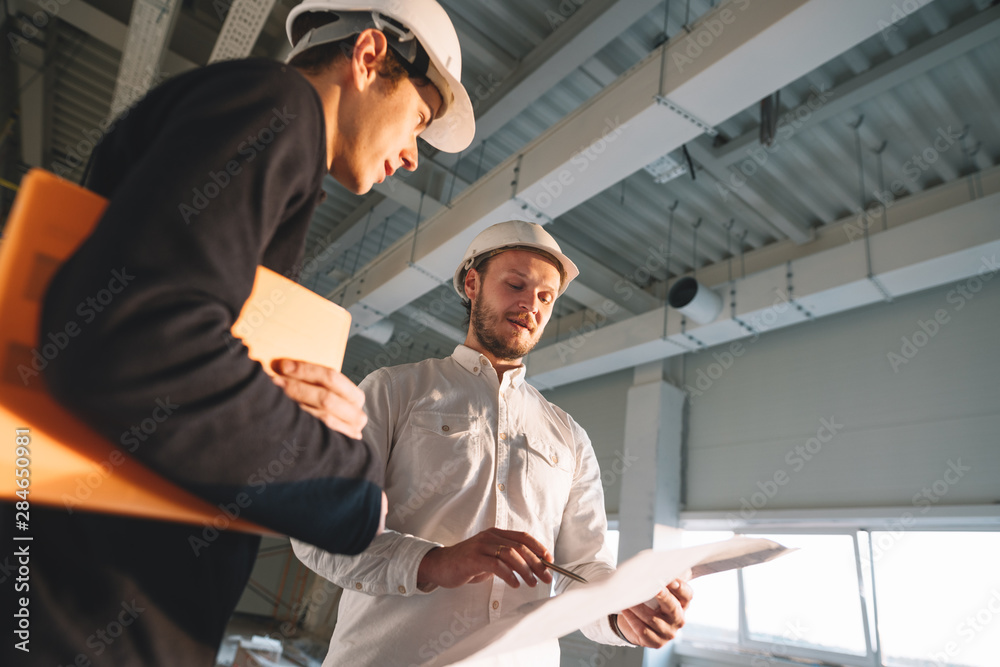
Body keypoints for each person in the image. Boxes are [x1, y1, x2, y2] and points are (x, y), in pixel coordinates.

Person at [0, 1, 474, 665]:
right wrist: (347, 480)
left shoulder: (260, 128)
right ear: (369, 57)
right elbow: (137, 341)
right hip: (85, 615)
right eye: (419, 120)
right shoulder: (277, 107)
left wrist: (285, 403)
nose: (415, 157)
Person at [292, 220, 693, 666]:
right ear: (472, 283)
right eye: (516, 284)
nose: (531, 305)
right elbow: (318, 533)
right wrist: (438, 562)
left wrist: (621, 612)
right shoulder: (392, 390)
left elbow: (582, 570)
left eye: (546, 297)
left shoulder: (568, 435)